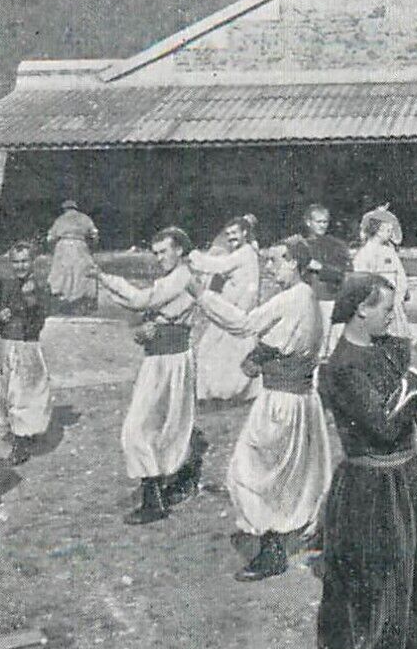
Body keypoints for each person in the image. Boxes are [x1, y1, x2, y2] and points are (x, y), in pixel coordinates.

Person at [315, 273, 417, 649]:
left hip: (406, 476)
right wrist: (415, 372)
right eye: (385, 309)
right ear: (360, 309)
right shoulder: (341, 368)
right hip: (368, 486)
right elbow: (385, 424)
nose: (393, 317)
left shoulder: (384, 347)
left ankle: (414, 645)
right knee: (365, 578)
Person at [197, 239, 335, 581]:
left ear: (294, 263)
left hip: (282, 400)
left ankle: (272, 550)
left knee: (253, 472)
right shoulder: (308, 298)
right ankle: (309, 533)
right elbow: (282, 342)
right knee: (298, 474)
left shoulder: (292, 298)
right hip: (302, 398)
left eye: (276, 262)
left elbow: (245, 324)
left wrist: (200, 295)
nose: (270, 269)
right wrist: (259, 357)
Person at [93, 228, 204, 524]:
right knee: (162, 425)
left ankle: (155, 499)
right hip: (161, 360)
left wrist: (105, 278)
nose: (158, 258)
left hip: (170, 361)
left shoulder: (182, 276)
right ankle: (172, 483)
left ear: (179, 249)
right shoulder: (171, 279)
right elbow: (139, 306)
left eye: (163, 251)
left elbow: (143, 300)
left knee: (140, 427)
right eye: (155, 253)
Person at [0, 240, 51, 465]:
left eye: (25, 261)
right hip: (5, 344)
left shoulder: (40, 287)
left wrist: (30, 301)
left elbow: (39, 316)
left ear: (32, 262)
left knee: (24, 393)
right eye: (16, 261)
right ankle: (18, 431)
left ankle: (22, 442)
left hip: (26, 345)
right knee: (2, 391)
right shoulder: (6, 285)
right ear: (10, 263)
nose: (21, 266)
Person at [187, 216, 262, 403]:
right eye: (228, 234)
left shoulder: (244, 253)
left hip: (236, 313)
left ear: (245, 233)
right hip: (236, 310)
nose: (231, 237)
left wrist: (192, 254)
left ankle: (209, 395)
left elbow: (217, 266)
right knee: (229, 352)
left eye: (235, 233)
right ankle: (225, 394)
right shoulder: (244, 252)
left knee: (210, 348)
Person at [301, 204, 353, 363]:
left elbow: (345, 273)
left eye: (325, 222)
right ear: (308, 222)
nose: (323, 225)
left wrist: (321, 268)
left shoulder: (336, 245)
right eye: (319, 222)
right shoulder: (300, 244)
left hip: (328, 297)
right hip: (307, 298)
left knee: (328, 344)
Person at [354, 205, 412, 339]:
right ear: (378, 231)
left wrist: (399, 297)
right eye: (388, 230)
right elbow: (361, 282)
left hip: (395, 305)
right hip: (376, 306)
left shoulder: (389, 252)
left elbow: (401, 277)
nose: (391, 234)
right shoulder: (365, 254)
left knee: (398, 339)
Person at [45, 200, 99, 312]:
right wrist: (91, 247)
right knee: (81, 273)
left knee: (62, 274)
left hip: (63, 246)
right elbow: (94, 234)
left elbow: (50, 237)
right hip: (80, 245)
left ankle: (64, 301)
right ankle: (79, 301)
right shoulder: (85, 218)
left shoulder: (60, 220)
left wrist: (53, 248)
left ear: (65, 209)